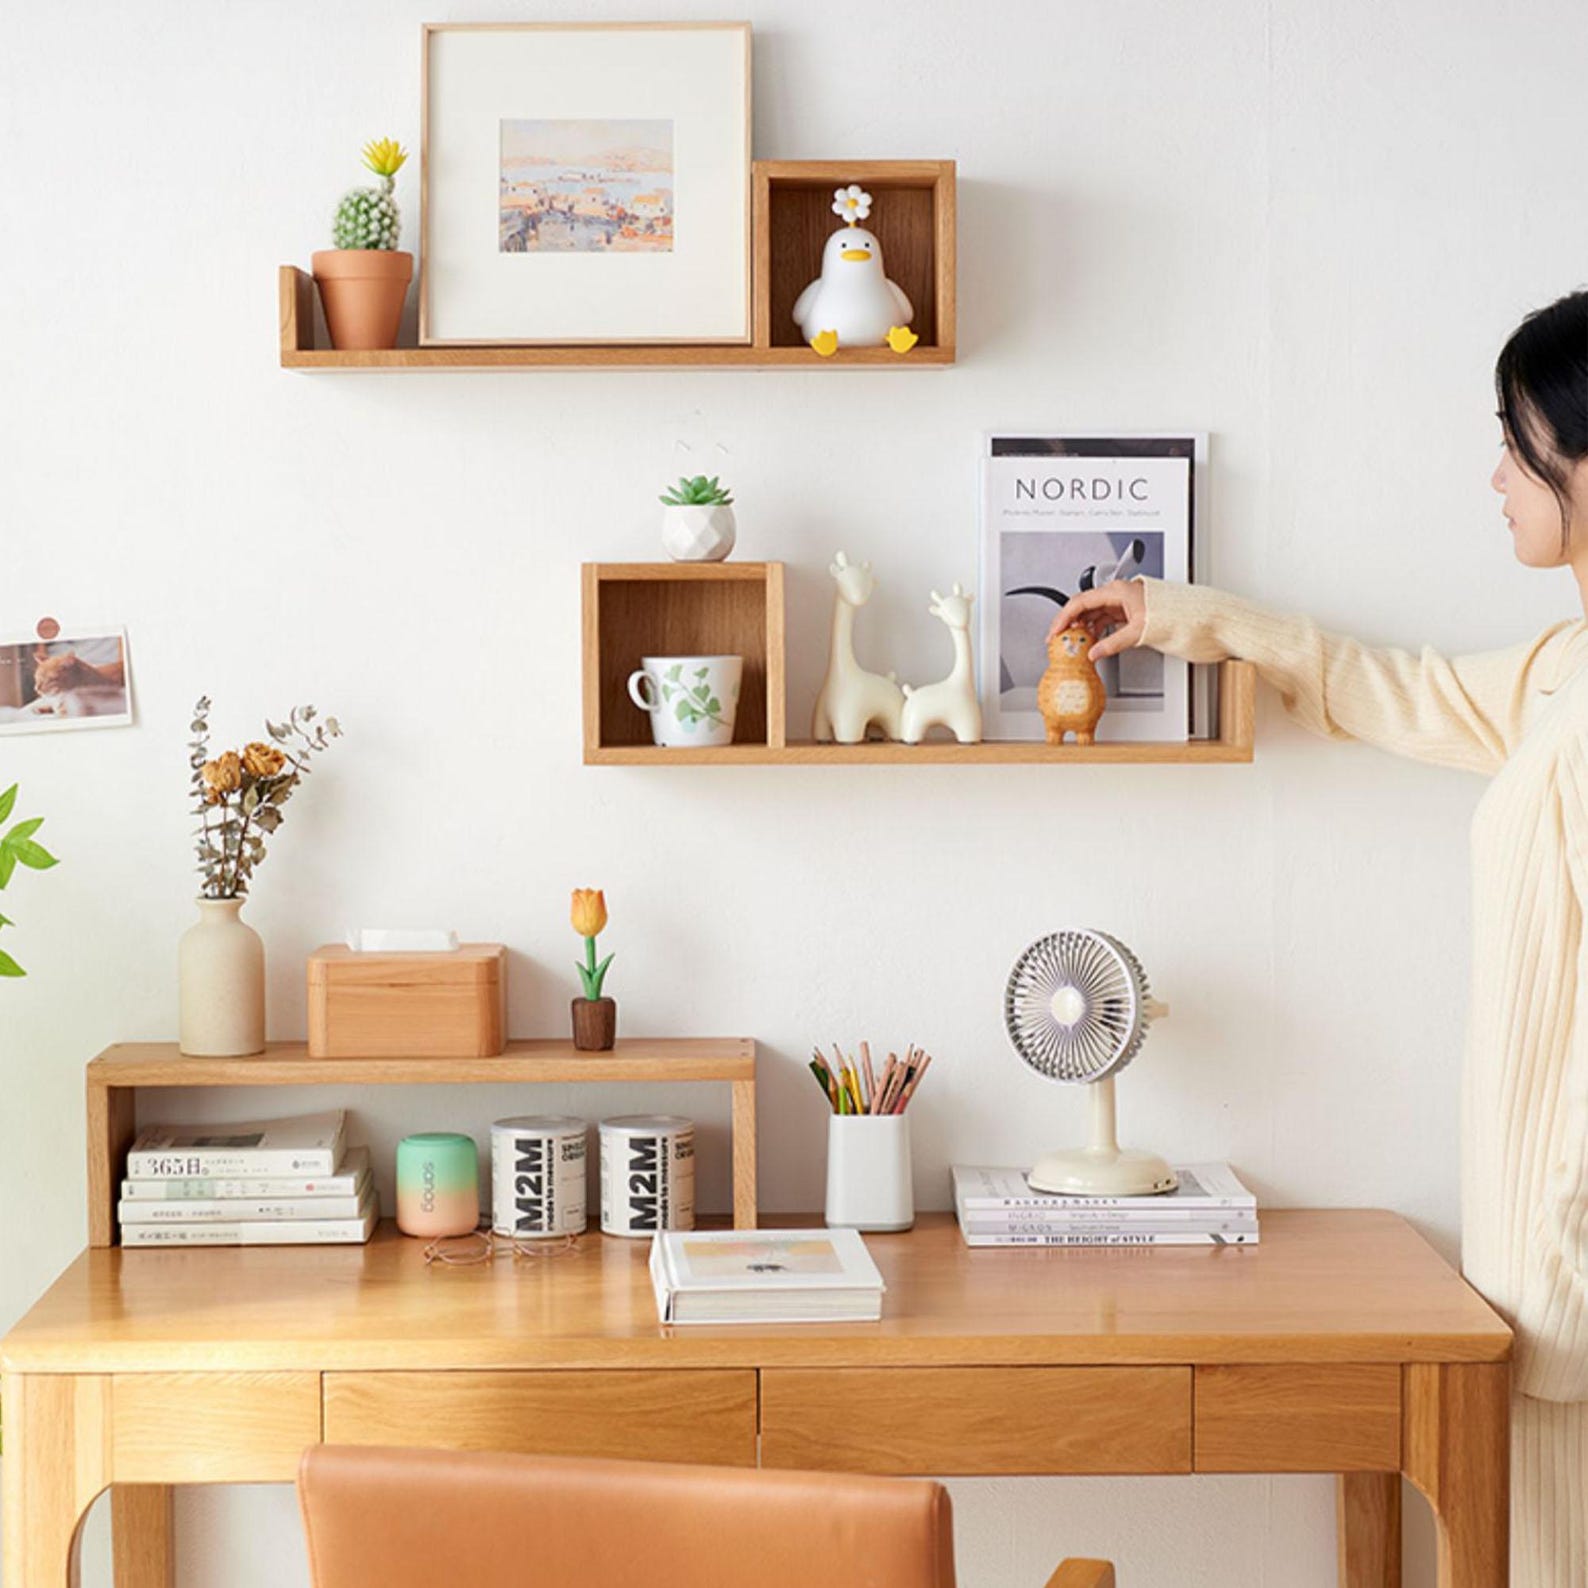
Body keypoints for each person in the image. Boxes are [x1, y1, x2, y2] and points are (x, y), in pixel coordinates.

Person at [1050, 288, 1588, 1585]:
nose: (1496, 475)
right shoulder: (1564, 669)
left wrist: (1565, 1282)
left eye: (1517, 445)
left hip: (1571, 1299)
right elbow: (1392, 689)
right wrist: (1177, 615)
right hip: (1531, 1293)